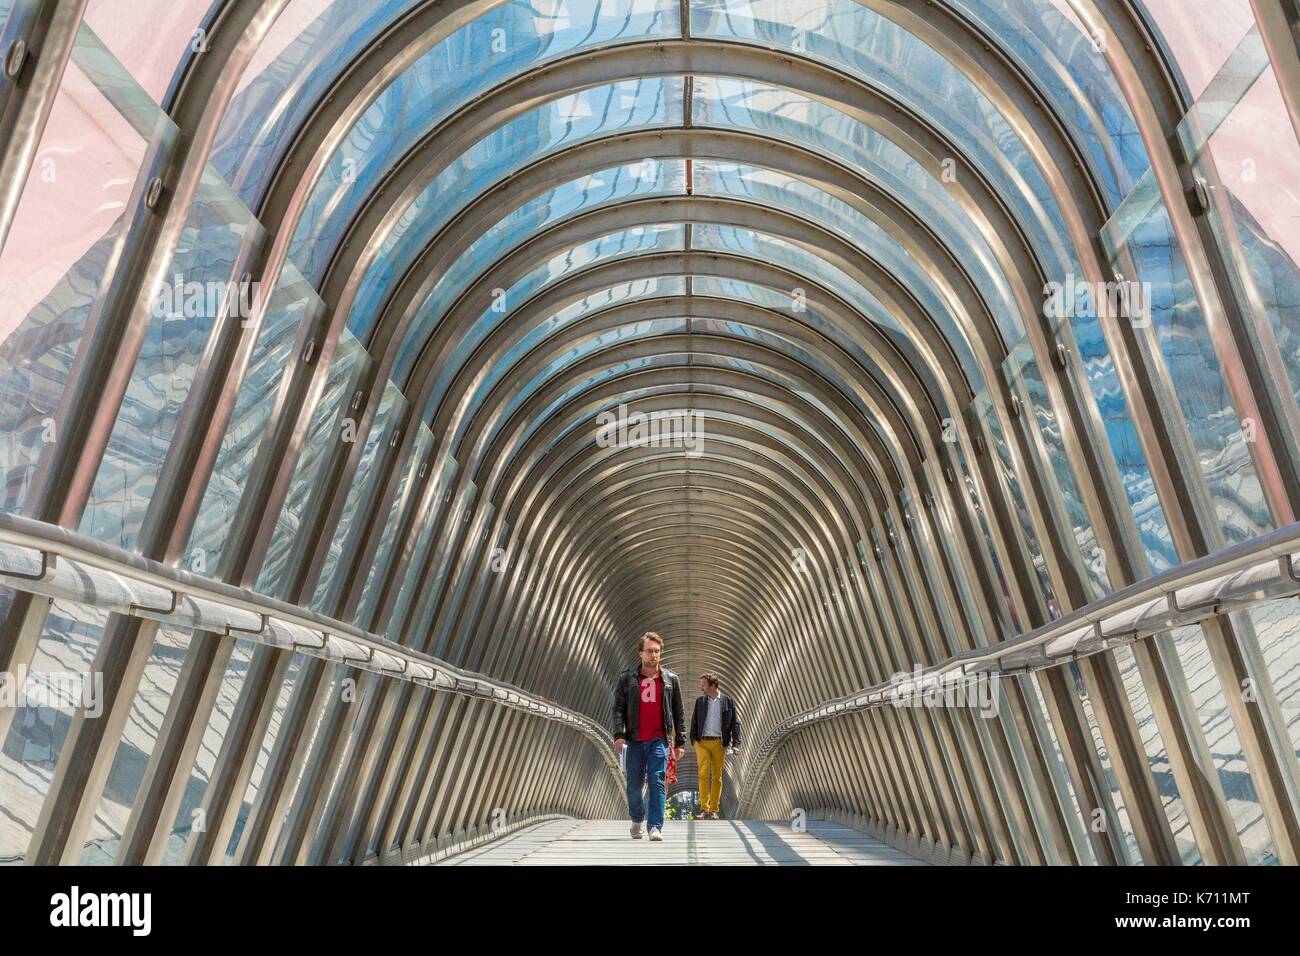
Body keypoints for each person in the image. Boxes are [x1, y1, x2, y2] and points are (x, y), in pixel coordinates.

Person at [611, 631, 685, 842]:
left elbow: (678, 711)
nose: (654, 655)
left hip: (659, 740)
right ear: (640, 653)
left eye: (657, 651)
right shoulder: (627, 678)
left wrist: (679, 742)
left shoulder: (671, 679)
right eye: (649, 651)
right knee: (633, 785)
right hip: (634, 740)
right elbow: (618, 708)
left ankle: (655, 827)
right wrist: (619, 735)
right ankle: (637, 819)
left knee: (657, 781)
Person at [689, 673, 741, 820]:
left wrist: (736, 743)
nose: (701, 687)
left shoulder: (728, 701)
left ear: (712, 686)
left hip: (719, 743)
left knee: (717, 776)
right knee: (703, 773)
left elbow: (735, 724)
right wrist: (694, 740)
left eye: (703, 684)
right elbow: (694, 721)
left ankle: (713, 810)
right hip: (702, 742)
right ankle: (704, 809)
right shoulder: (700, 701)